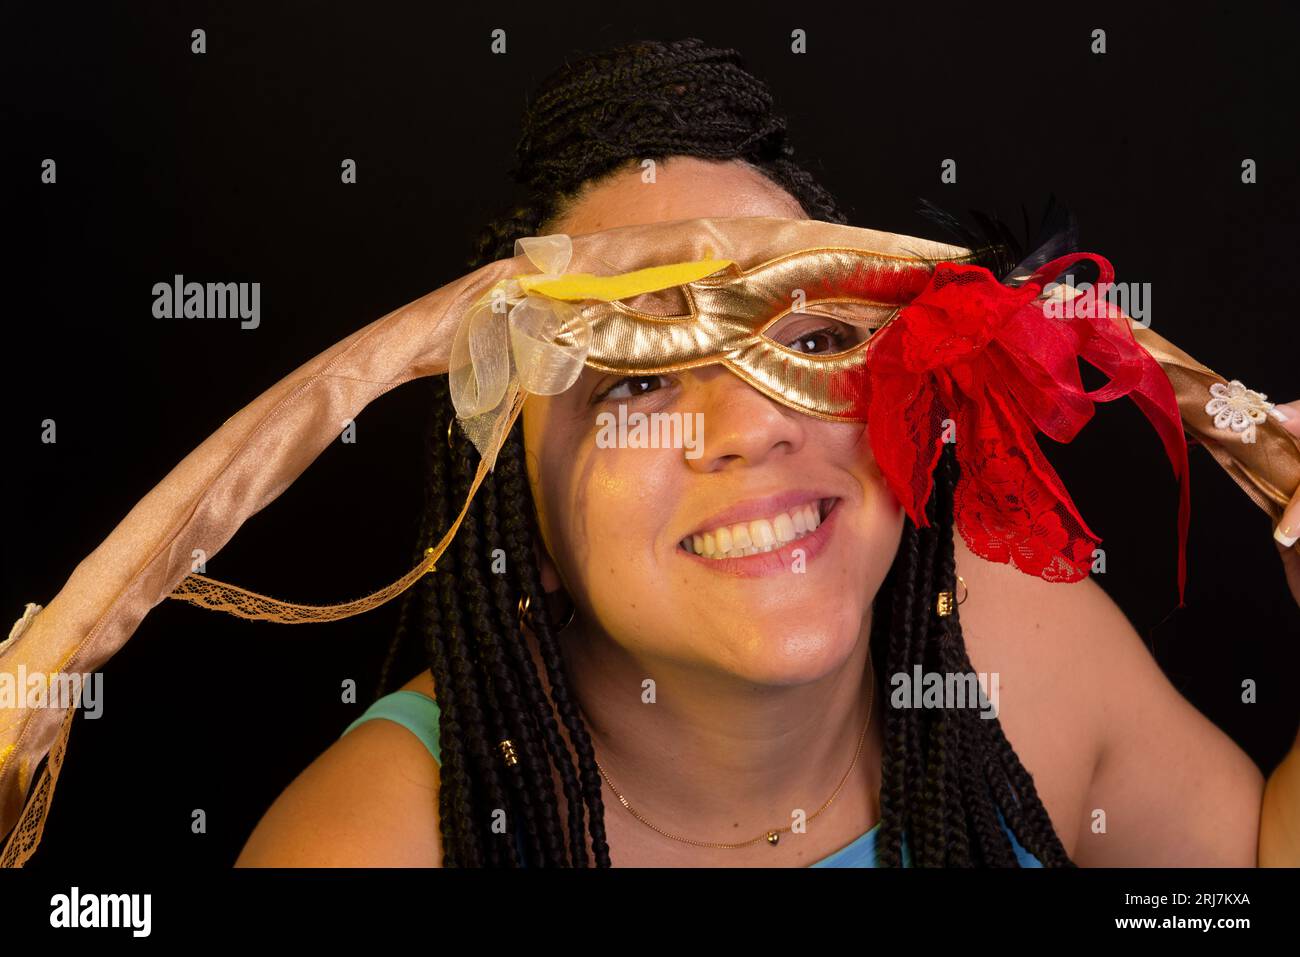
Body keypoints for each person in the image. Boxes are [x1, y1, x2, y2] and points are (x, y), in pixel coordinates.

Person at [231, 39, 1300, 868]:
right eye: (638, 379)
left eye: (812, 342)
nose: (753, 426)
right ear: (522, 511)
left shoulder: (1023, 638)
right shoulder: (372, 843)